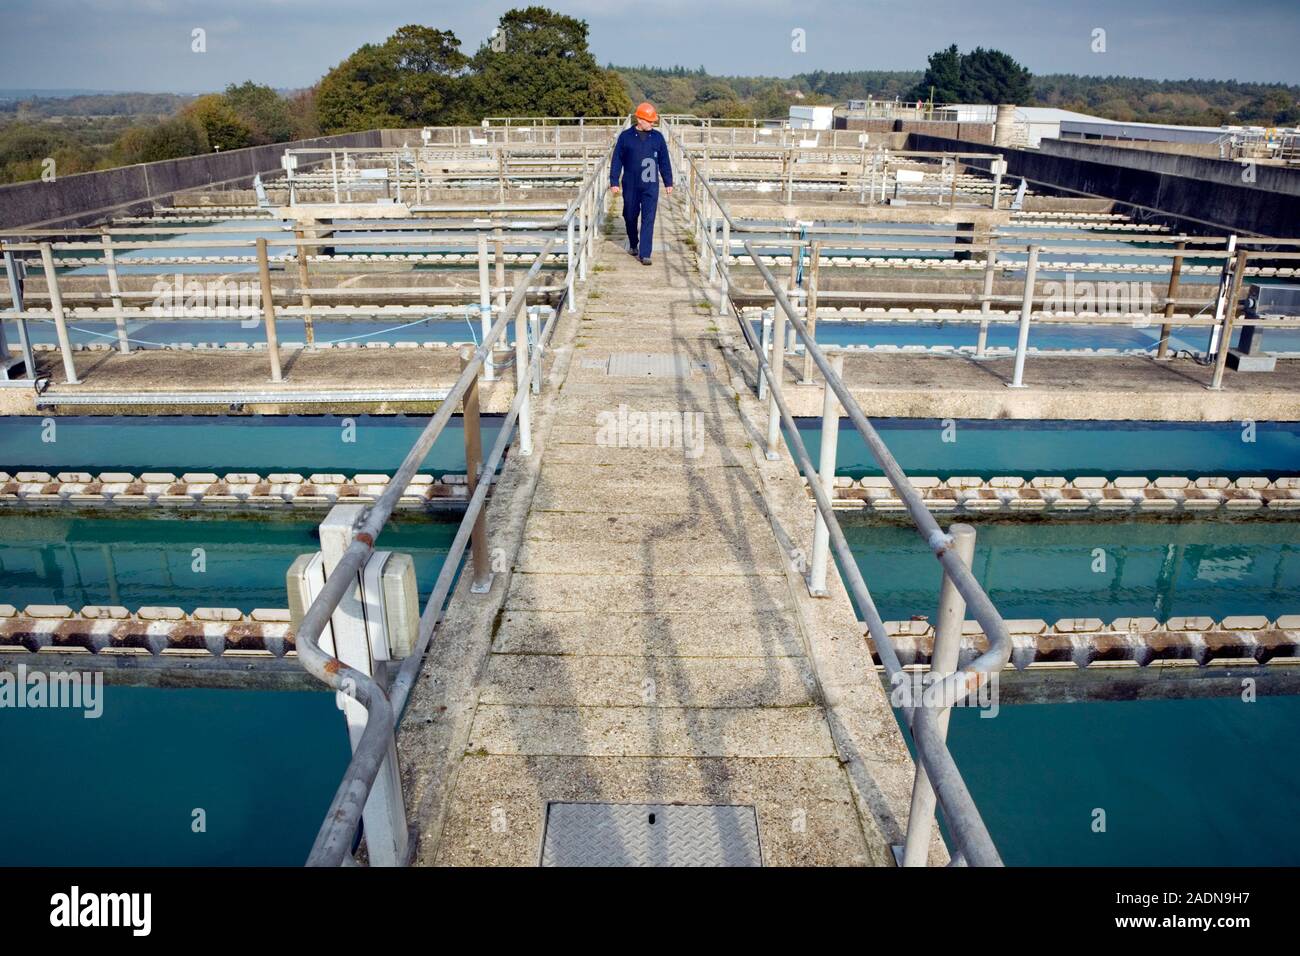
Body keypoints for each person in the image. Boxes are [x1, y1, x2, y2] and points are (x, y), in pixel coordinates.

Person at [609, 101, 673, 265]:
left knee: (648, 218)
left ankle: (645, 253)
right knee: (629, 215)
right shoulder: (626, 137)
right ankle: (633, 243)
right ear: (640, 119)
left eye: (653, 122)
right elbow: (617, 159)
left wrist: (668, 182)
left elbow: (664, 161)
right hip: (630, 184)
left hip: (650, 184)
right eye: (649, 121)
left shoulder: (657, 137)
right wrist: (614, 181)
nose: (652, 124)